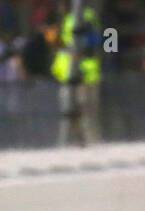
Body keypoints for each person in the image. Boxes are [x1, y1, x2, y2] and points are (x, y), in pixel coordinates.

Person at [50, 3, 102, 145]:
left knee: (86, 111)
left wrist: (84, 47)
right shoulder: (66, 19)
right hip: (68, 73)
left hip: (86, 73)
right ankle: (69, 141)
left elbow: (104, 38)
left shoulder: (88, 16)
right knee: (68, 111)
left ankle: (91, 141)